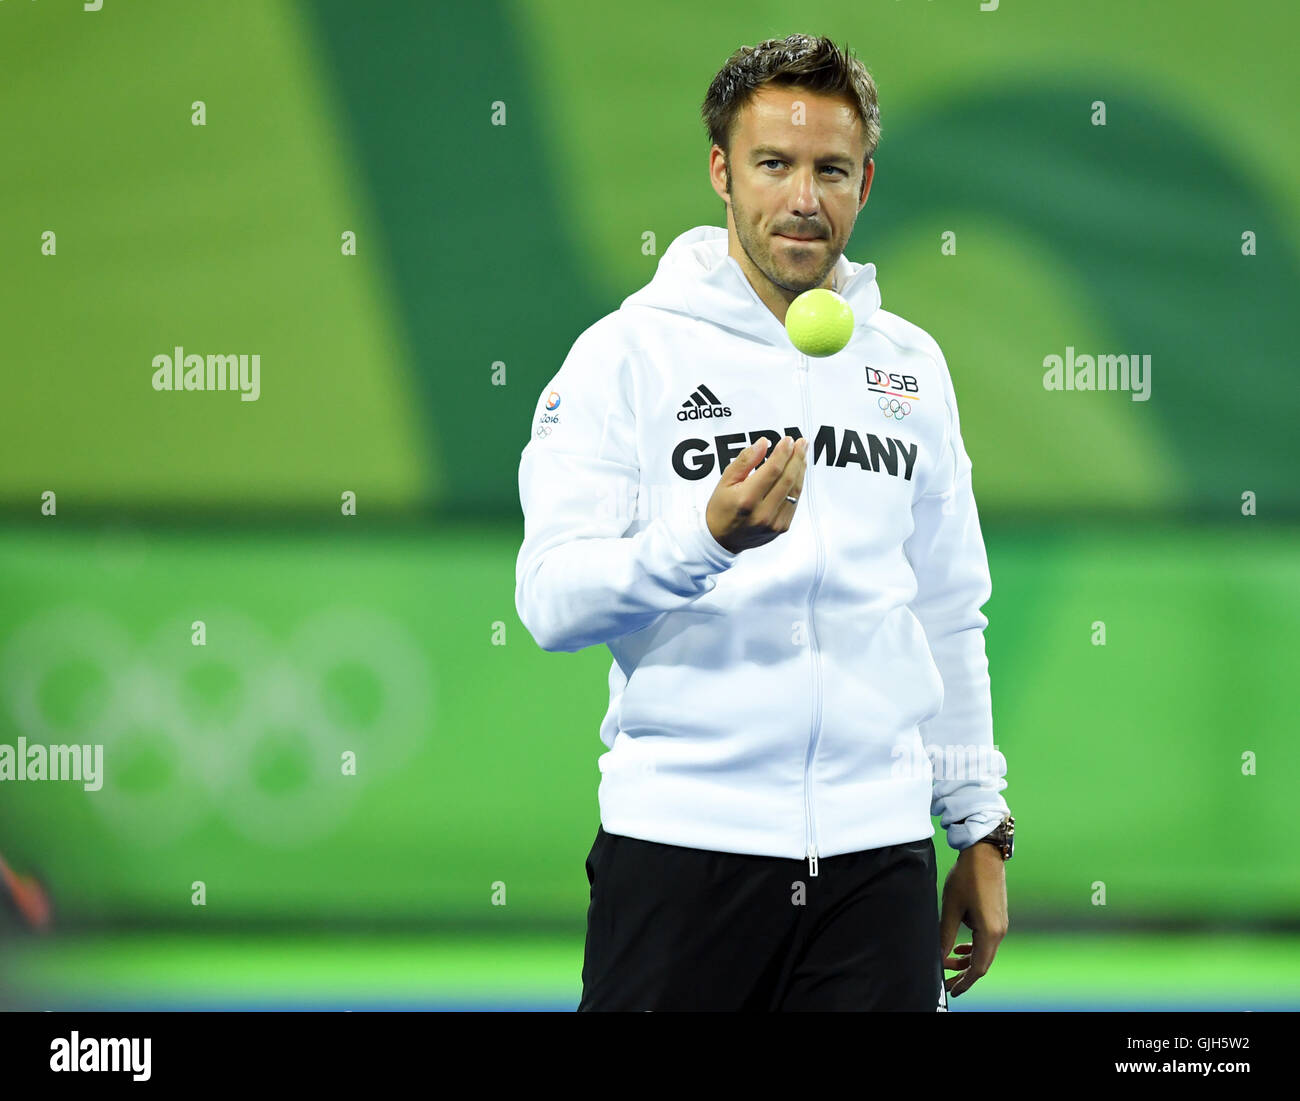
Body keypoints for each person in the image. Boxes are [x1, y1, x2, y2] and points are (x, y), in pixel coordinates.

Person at [514, 33, 1012, 1012]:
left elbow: (950, 610)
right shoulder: (626, 358)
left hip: (877, 867)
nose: (802, 198)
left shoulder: (910, 367)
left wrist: (980, 826)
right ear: (720, 172)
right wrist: (701, 542)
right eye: (772, 164)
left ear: (865, 183)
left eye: (830, 169)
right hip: (679, 859)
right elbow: (550, 602)